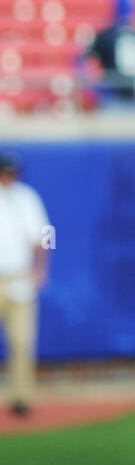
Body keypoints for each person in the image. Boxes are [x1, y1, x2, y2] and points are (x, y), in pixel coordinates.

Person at [0, 153, 49, 416]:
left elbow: (45, 234)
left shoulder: (26, 197)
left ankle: (20, 398)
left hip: (19, 276)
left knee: (21, 341)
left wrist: (41, 269)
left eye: (12, 172)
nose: (8, 178)